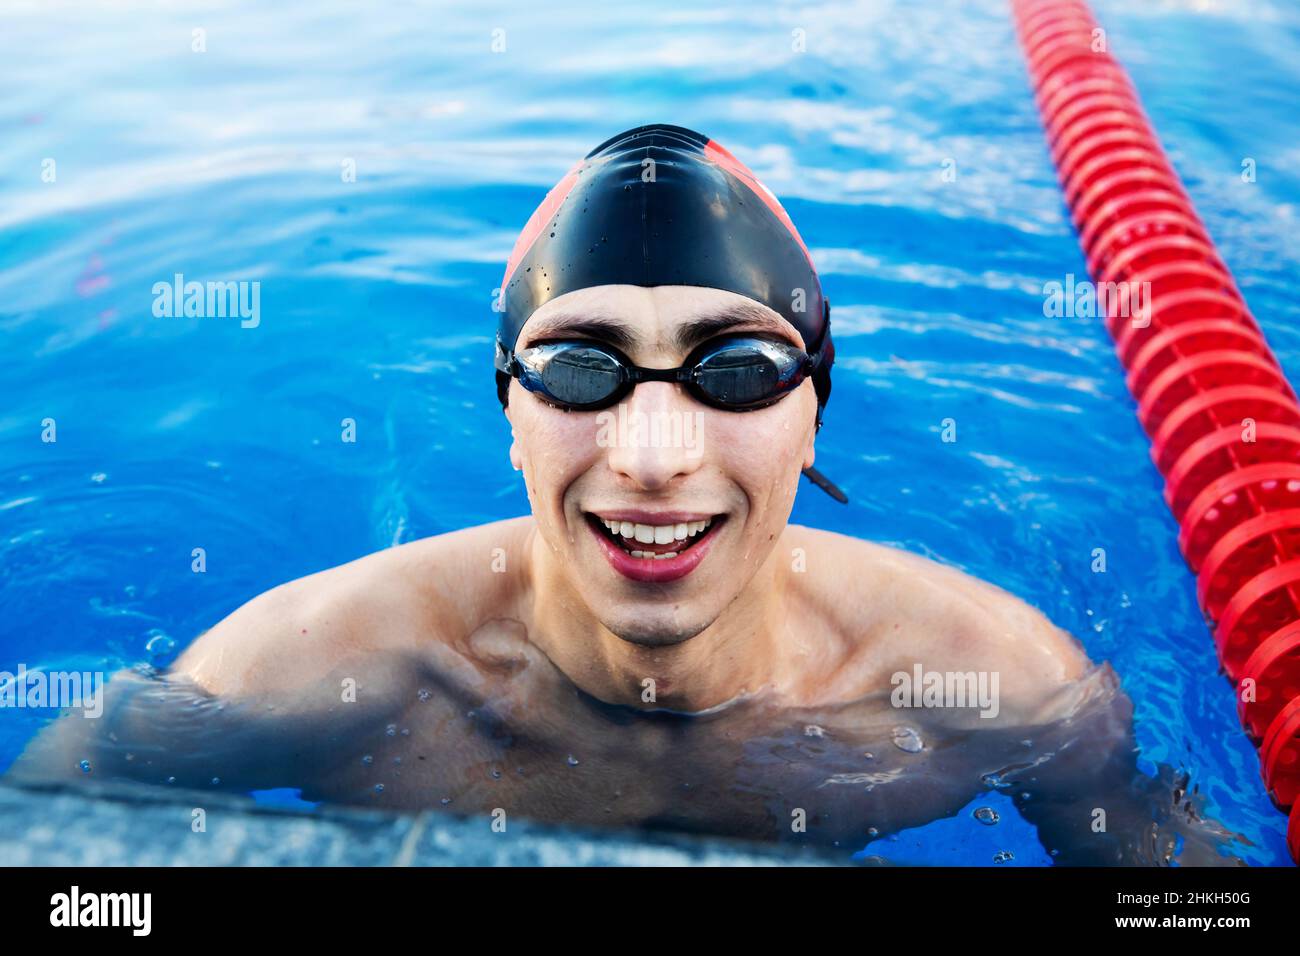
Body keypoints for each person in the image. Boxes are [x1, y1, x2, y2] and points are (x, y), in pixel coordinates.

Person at [12, 125, 1241, 864]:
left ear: (814, 406)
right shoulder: (318, 667)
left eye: (739, 368)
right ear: (509, 413)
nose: (654, 451)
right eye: (581, 366)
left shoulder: (998, 686)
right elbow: (55, 853)